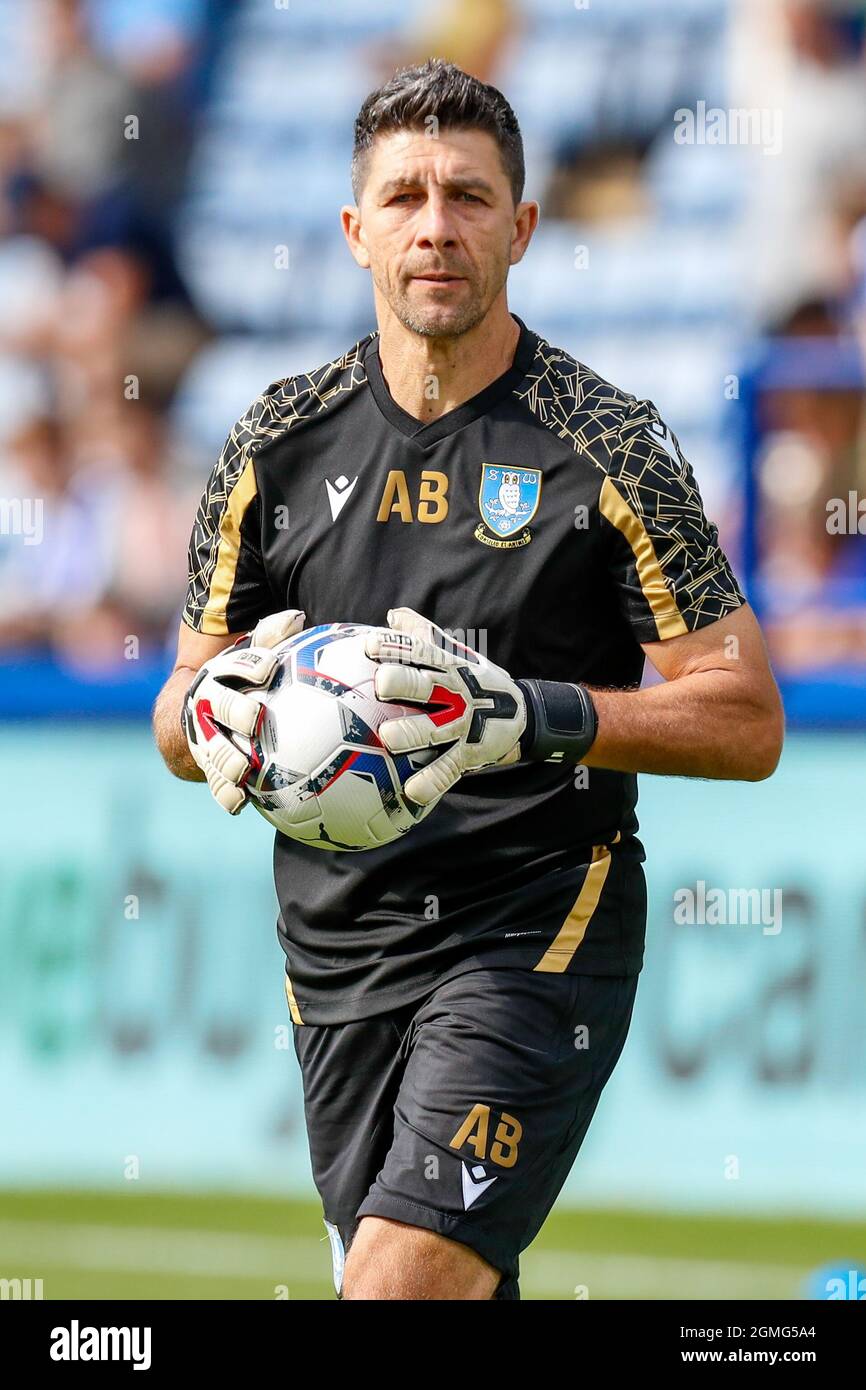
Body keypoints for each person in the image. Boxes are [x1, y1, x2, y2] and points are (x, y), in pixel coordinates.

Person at [153, 60, 784, 1301]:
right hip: (332, 948)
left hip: (531, 928)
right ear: (353, 231)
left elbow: (747, 715)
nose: (434, 225)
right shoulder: (272, 442)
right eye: (402, 197)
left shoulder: (610, 445)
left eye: (467, 196)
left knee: (391, 1289)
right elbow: (181, 704)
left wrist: (523, 718)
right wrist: (211, 721)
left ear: (522, 227)